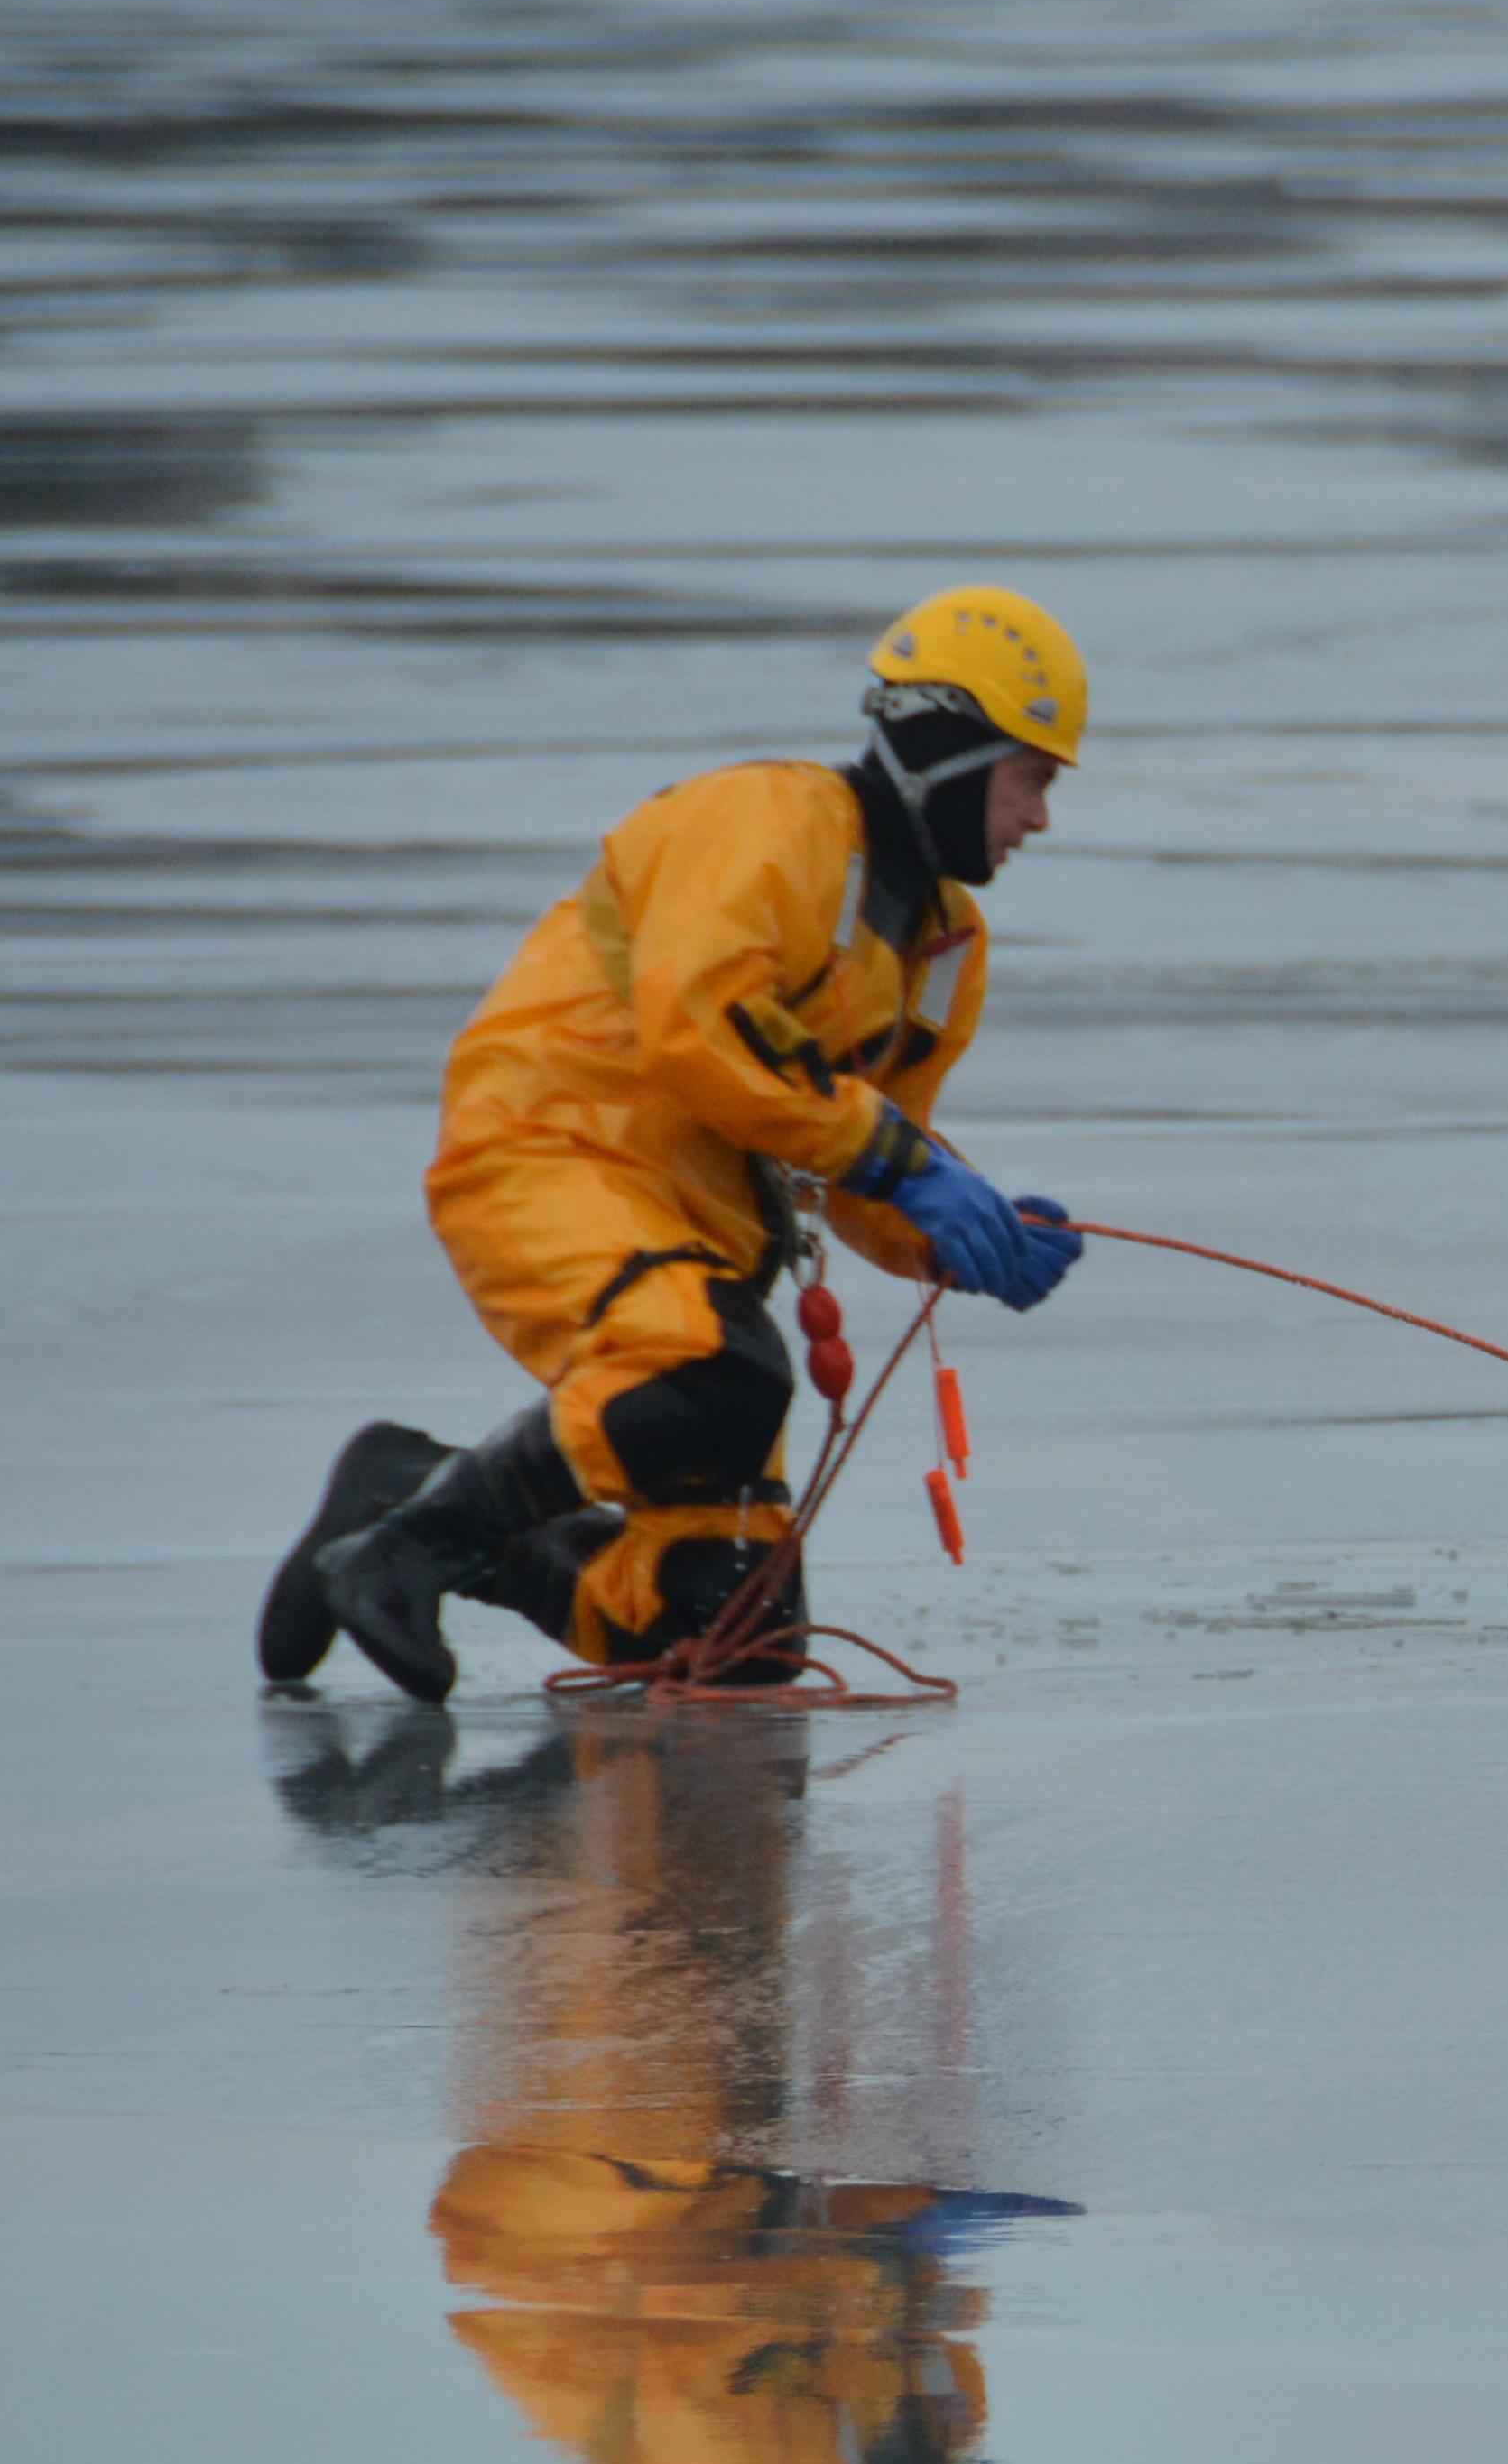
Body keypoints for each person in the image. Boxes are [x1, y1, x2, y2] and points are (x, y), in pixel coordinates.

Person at [263, 592, 1098, 1697]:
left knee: (737, 1627)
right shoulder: (768, 824)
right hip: (551, 1149)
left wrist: (950, 1229)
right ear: (949, 750)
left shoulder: (947, 948)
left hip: (699, 1238)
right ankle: (407, 1550)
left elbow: (860, 1151)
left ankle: (405, 1494)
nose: (1039, 817)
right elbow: (704, 1027)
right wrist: (909, 1167)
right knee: (713, 1365)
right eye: (1030, 777)